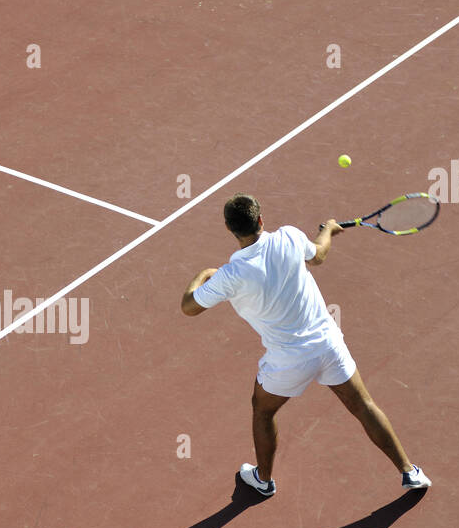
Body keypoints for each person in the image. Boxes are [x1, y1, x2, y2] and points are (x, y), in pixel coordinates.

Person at [180, 194, 430, 496]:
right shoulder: (290, 236)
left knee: (263, 410)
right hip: (328, 345)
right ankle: (409, 471)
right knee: (363, 405)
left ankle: (263, 480)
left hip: (288, 361)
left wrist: (203, 275)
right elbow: (319, 255)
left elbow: (188, 307)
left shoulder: (230, 276)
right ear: (261, 220)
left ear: (228, 228)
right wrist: (329, 231)